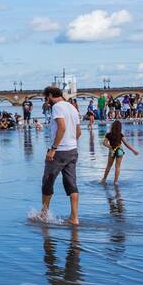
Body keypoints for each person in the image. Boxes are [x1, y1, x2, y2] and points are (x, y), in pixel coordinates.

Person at [40, 85, 80, 225]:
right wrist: (70, 143)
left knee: (47, 181)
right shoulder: (72, 107)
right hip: (73, 150)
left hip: (59, 151)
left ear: (51, 95)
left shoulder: (57, 107)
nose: (46, 101)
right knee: (71, 184)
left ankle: (43, 215)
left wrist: (53, 148)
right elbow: (78, 132)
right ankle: (74, 218)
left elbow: (61, 127)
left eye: (46, 98)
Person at [100, 120, 138, 186]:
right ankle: (115, 182)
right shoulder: (120, 135)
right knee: (117, 167)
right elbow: (126, 144)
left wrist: (110, 147)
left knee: (108, 166)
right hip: (119, 150)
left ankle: (104, 179)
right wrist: (133, 150)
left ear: (112, 126)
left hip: (112, 150)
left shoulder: (108, 134)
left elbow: (104, 143)